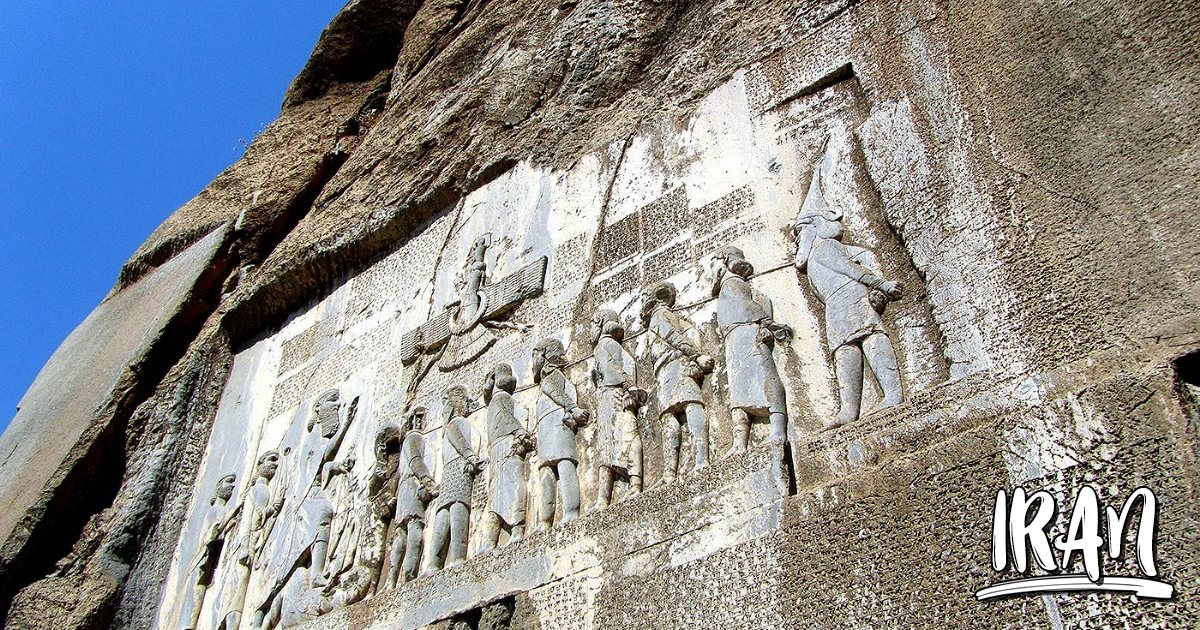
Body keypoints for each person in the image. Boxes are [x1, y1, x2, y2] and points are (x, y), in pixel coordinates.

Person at [792, 206, 903, 427]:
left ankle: (892, 394)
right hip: (834, 304)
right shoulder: (814, 254)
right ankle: (849, 411)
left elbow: (851, 269)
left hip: (850, 294)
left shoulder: (825, 246)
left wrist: (882, 284)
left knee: (870, 335)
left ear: (816, 225)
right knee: (843, 348)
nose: (797, 239)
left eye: (801, 230)